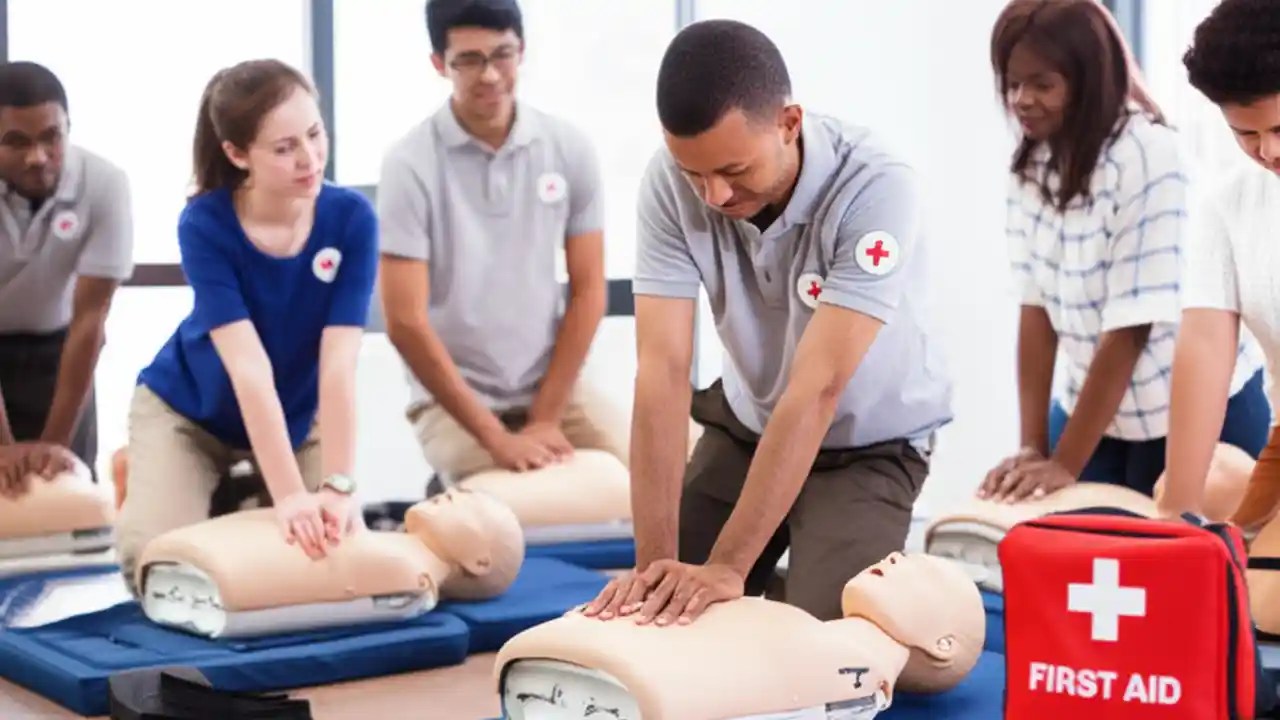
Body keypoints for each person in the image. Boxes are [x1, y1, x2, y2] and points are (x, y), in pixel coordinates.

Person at [583, 19, 953, 625]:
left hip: (867, 446)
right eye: (693, 173)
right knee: (653, 611)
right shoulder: (669, 182)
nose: (714, 196)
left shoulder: (876, 186)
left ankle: (808, 587)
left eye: (734, 170)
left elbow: (817, 390)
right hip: (745, 429)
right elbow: (662, 371)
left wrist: (727, 569)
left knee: (824, 640)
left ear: (789, 123)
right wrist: (653, 571)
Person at [977, 0, 1269, 506]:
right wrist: (1032, 449)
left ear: (1089, 79)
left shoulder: (1152, 156)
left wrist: (1065, 464)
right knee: (1076, 558)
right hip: (1095, 407)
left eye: (1042, 84)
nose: (1022, 99)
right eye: (1012, 84)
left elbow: (1132, 328)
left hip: (1188, 410)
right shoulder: (1031, 166)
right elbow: (1035, 308)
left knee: (1187, 566)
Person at [114, 59, 378, 596]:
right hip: (190, 413)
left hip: (300, 416)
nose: (309, 159)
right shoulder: (205, 223)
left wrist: (336, 488)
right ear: (237, 155)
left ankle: (240, 496)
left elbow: (339, 366)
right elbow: (248, 369)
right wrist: (288, 497)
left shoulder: (352, 219)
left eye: (314, 133)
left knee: (334, 555)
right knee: (156, 566)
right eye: (284, 149)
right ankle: (154, 475)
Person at [377, 0, 627, 485]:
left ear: (522, 51)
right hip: (451, 403)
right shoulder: (409, 164)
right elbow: (404, 321)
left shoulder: (568, 148)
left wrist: (546, 418)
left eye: (502, 55)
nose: (489, 75)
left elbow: (589, 290)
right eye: (468, 59)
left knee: (648, 470)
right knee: (511, 502)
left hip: (554, 390)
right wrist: (496, 437)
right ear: (439, 64)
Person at [1162, 0, 1280, 528]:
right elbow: (1206, 344)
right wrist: (1176, 512)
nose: (1269, 152)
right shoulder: (1227, 204)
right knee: (1239, 595)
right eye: (1247, 135)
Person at [0, 61, 133, 495]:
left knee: (63, 488)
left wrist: (55, 444)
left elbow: (90, 321)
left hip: (61, 352)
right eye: (16, 142)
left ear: (68, 128)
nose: (37, 156)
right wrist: (5, 448)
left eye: (50, 138)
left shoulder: (105, 184)